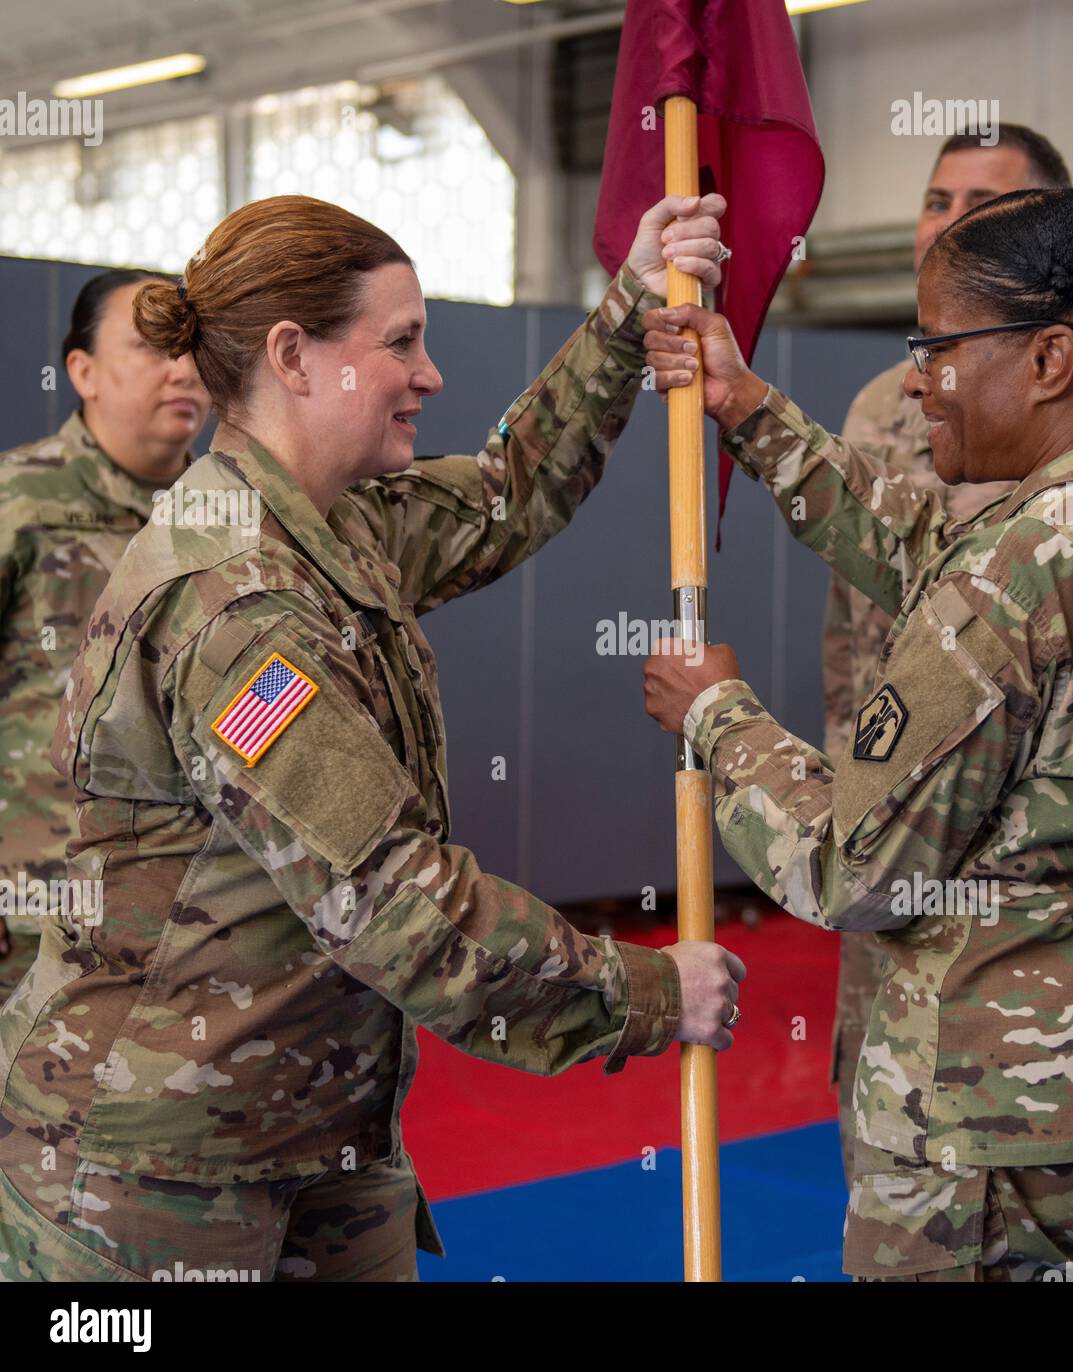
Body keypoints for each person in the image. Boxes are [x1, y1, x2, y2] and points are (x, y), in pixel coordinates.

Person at [0, 191, 744, 1282]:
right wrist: (645, 993)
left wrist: (630, 306)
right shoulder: (238, 602)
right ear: (295, 356)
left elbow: (506, 492)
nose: (430, 374)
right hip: (159, 1183)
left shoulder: (331, 520)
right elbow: (401, 909)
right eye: (400, 342)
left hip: (312, 1135)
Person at [642, 186, 1073, 1280]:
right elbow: (922, 537)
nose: (914, 376)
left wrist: (719, 718)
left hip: (1019, 1127)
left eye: (937, 344)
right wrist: (747, 407)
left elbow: (855, 867)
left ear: (1048, 360)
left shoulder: (1009, 579)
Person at [821, 126, 1073, 1184]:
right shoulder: (882, 405)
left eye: (982, 204)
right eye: (935, 198)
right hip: (896, 812)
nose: (946, 223)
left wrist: (720, 725)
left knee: (988, 1168)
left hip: (1031, 885)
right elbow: (869, 604)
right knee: (881, 1093)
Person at [0, 271, 210, 1000]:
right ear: (82, 370)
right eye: (154, 349)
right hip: (31, 914)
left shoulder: (229, 515)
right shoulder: (21, 501)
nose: (184, 370)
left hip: (193, 922)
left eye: (192, 348)